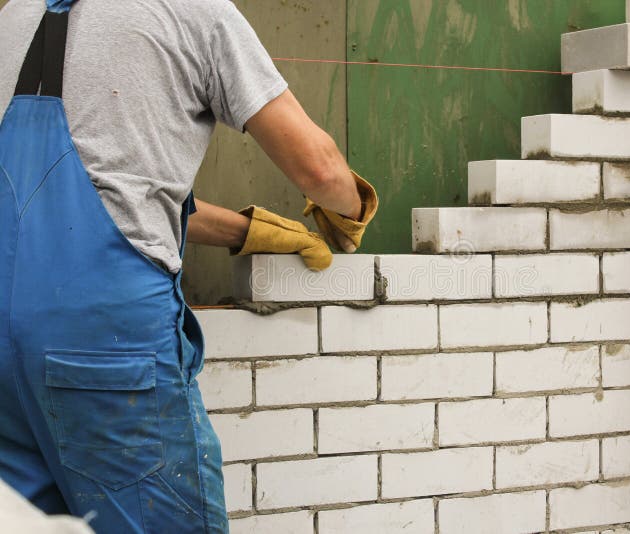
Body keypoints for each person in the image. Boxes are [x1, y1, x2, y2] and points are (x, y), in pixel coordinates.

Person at [0, 0, 378, 532]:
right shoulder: (193, 11)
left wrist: (247, 231)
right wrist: (353, 209)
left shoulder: (13, 16)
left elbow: (104, 193)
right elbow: (317, 167)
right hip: (104, 349)